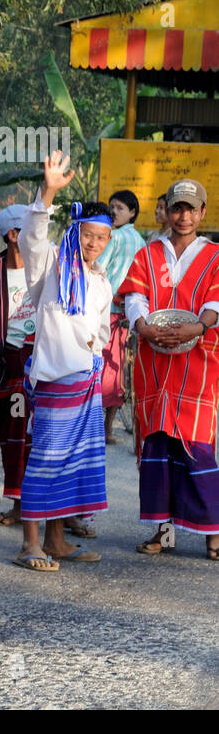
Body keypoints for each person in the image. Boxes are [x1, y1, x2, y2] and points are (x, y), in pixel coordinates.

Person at [12, 152, 113, 572]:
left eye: (101, 238)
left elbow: (103, 331)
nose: (92, 243)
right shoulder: (50, 264)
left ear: (109, 241)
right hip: (54, 381)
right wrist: (49, 191)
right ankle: (30, 542)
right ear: (75, 232)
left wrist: (96, 352)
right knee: (47, 460)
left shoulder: (101, 281)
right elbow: (31, 238)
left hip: (85, 380)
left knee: (73, 464)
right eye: (87, 235)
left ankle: (56, 540)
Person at [119, 178, 219, 561]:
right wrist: (142, 326)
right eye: (177, 208)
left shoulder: (213, 256)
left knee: (197, 446)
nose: (184, 216)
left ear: (202, 212)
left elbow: (214, 305)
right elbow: (135, 297)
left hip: (199, 363)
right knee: (158, 444)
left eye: (191, 208)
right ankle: (165, 531)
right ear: (168, 210)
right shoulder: (148, 254)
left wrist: (198, 326)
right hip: (154, 363)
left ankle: (213, 533)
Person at [0, 204, 35, 528]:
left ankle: (59, 513)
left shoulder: (47, 270)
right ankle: (18, 504)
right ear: (13, 235)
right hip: (11, 369)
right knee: (15, 436)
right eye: (31, 230)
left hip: (44, 366)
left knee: (48, 439)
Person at [99, 189, 147, 444]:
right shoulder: (140, 241)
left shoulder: (113, 237)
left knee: (103, 367)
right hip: (129, 312)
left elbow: (98, 268)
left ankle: (100, 429)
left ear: (132, 213)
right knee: (118, 369)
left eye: (119, 208)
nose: (114, 212)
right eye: (112, 207)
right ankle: (108, 428)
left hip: (107, 310)